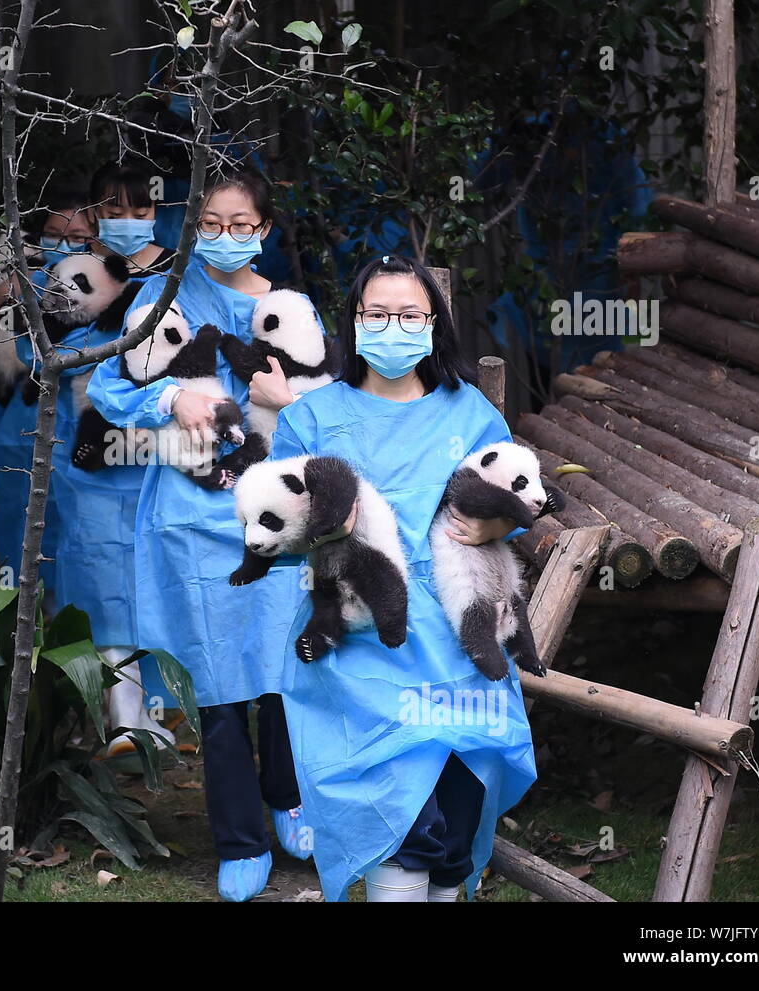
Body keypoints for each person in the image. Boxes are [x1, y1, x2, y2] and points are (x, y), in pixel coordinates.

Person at [267, 252, 537, 902]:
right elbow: (268, 527)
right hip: (363, 655)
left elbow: (521, 502)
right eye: (378, 313)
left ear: (434, 323)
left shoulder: (468, 412)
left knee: (455, 825)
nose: (393, 325)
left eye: (409, 314)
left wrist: (495, 527)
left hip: (457, 651)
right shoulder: (311, 418)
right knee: (399, 825)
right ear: (354, 321)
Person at [87, 165, 318, 901]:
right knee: (217, 680)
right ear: (192, 228)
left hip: (278, 512)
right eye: (210, 224)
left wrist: (287, 399)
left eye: (241, 225)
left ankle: (291, 799)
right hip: (191, 519)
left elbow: (331, 407)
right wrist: (172, 394)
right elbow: (104, 386)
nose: (225, 237)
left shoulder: (290, 309)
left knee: (283, 665)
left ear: (265, 231)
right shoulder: (160, 299)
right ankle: (239, 836)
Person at [18, 159, 178, 755]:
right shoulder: (75, 275)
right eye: (114, 211)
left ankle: (174, 707)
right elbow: (38, 351)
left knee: (162, 575)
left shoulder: (181, 274)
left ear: (159, 214)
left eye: (141, 211)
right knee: (105, 578)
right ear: (96, 216)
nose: (128, 221)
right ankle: (124, 717)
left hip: (164, 453)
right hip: (91, 455)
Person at [0, 190, 92, 602]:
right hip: (17, 434)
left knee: (82, 548)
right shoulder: (25, 282)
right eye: (52, 235)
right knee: (20, 546)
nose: (63, 246)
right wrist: (7, 286)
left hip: (83, 438)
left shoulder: (109, 290)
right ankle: (29, 652)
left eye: (77, 237)